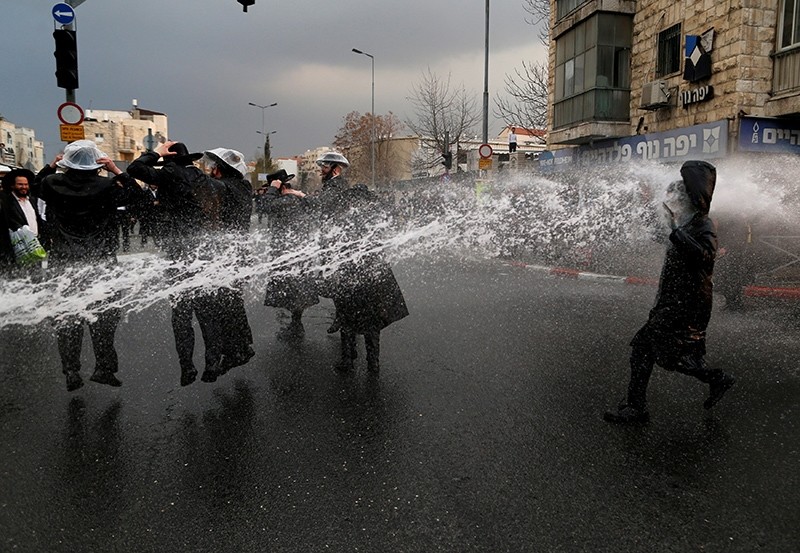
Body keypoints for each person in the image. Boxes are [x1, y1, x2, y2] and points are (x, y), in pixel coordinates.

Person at [604, 160, 735, 423]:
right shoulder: (686, 222)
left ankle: (637, 408)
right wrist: (653, 213)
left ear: (693, 197)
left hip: (686, 304)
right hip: (672, 300)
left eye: (681, 195)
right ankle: (717, 379)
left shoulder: (704, 225)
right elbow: (663, 237)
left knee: (647, 350)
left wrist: (675, 230)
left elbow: (705, 256)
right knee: (667, 354)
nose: (676, 199)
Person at [34, 140, 148, 391]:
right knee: (104, 315)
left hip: (63, 262)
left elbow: (34, 186)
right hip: (100, 262)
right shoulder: (106, 186)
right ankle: (104, 368)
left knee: (68, 317)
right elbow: (140, 199)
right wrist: (116, 170)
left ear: (67, 162)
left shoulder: (52, 183)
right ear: (97, 163)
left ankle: (71, 370)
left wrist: (51, 165)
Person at [128, 141, 231, 386]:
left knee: (182, 313)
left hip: (178, 254)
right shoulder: (210, 182)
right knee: (208, 312)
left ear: (170, 158)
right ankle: (212, 363)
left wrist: (156, 153)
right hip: (206, 253)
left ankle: (187, 367)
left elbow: (134, 169)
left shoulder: (169, 173)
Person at [313, 152, 409, 373]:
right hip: (369, 269)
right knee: (369, 317)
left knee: (348, 313)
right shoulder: (365, 212)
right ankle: (372, 363)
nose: (322, 170)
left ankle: (348, 359)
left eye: (325, 166)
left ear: (336, 169)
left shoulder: (339, 197)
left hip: (349, 268)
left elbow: (330, 228)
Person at [200, 148, 255, 380]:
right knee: (231, 302)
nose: (211, 170)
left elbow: (201, 185)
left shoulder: (223, 188)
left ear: (221, 170)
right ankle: (240, 348)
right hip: (237, 255)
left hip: (226, 256)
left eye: (214, 167)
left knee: (223, 305)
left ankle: (236, 351)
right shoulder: (244, 186)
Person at [261, 169, 319, 338]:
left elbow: (264, 206)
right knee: (296, 291)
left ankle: (296, 327)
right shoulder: (295, 199)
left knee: (294, 291)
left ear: (280, 187)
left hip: (291, 255)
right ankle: (295, 324)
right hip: (298, 252)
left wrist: (273, 189)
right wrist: (301, 195)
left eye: (272, 187)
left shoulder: (287, 200)